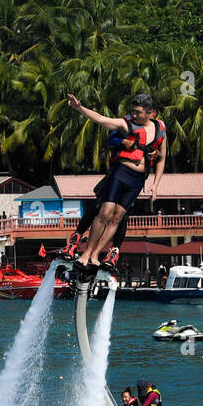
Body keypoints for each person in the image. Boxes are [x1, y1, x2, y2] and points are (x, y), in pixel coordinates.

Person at [61, 92, 167, 274]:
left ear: (150, 112)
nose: (134, 115)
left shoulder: (160, 129)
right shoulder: (126, 124)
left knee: (117, 218)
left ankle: (95, 255)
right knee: (104, 212)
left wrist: (156, 184)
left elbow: (162, 158)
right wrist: (79, 108)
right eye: (132, 111)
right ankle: (86, 253)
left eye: (139, 112)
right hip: (121, 173)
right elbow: (102, 119)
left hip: (138, 180)